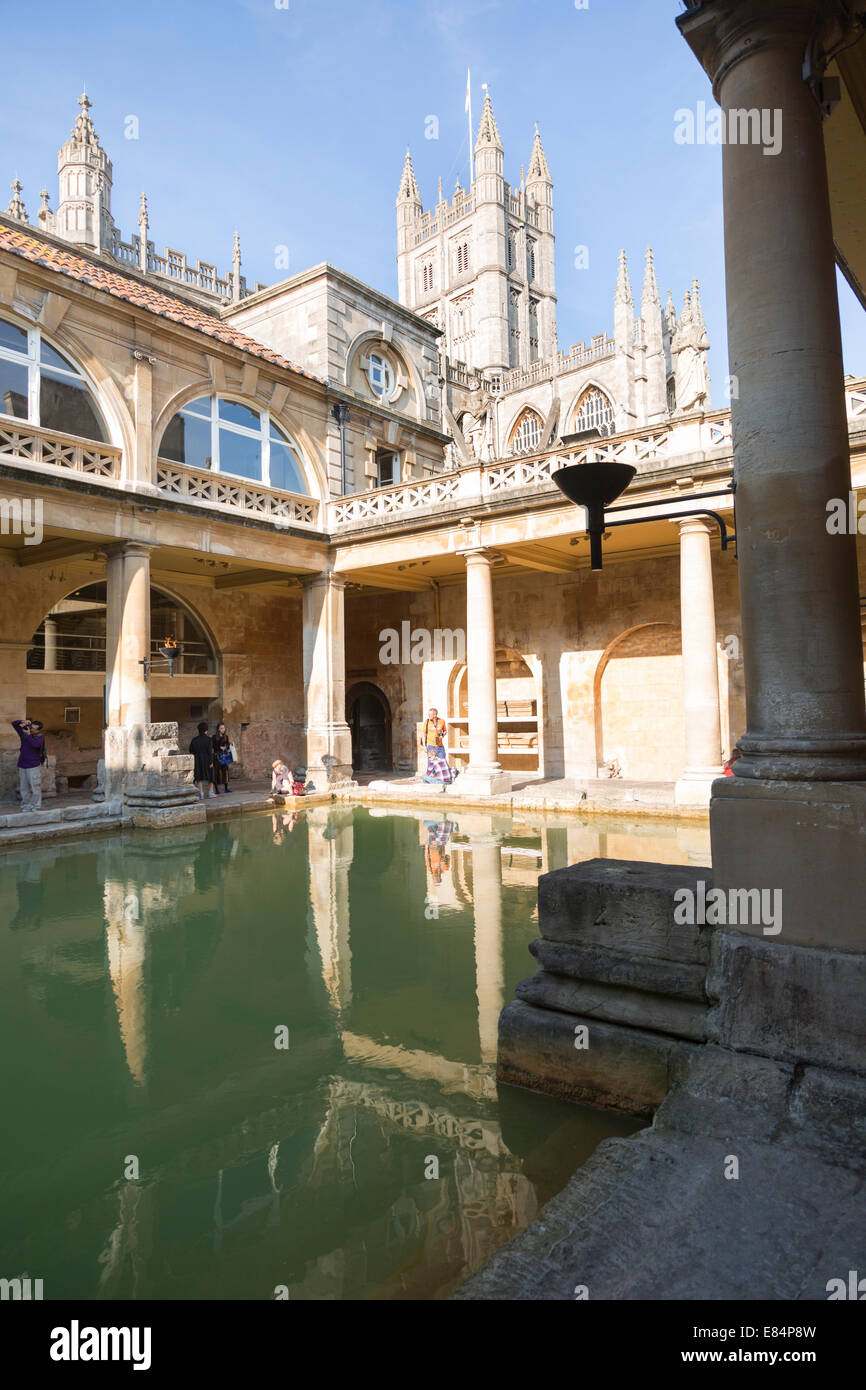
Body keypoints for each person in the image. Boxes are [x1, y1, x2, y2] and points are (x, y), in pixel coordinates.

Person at [12, 717, 45, 812]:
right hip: (22, 765)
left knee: (35, 787)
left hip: (33, 766)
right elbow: (14, 723)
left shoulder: (40, 737)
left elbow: (35, 745)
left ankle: (36, 806)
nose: (30, 729)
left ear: (38, 730)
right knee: (24, 788)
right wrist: (22, 721)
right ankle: (26, 805)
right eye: (31, 727)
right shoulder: (24, 734)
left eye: (33, 728)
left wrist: (29, 735)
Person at [420, 706, 457, 787]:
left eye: (431, 714)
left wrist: (442, 735)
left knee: (442, 759)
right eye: (428, 714)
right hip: (430, 745)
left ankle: (439, 777)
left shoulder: (442, 721)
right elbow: (423, 733)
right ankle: (430, 779)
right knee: (431, 762)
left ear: (435, 715)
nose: (429, 716)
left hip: (440, 746)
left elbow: (445, 731)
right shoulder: (427, 722)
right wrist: (424, 745)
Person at [189, 721, 215, 799]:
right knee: (211, 776)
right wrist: (211, 762)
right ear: (206, 730)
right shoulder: (209, 739)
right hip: (207, 759)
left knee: (199, 776)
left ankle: (201, 793)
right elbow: (210, 752)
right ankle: (210, 792)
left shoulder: (194, 740)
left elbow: (191, 750)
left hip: (197, 760)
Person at [212, 722, 233, 794]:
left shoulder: (226, 737)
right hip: (217, 756)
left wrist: (228, 746)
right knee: (216, 773)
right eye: (221, 728)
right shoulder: (214, 737)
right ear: (218, 729)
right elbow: (213, 746)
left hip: (224, 757)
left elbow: (227, 746)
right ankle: (217, 790)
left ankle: (226, 788)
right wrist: (220, 747)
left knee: (225, 772)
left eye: (224, 728)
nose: (223, 729)